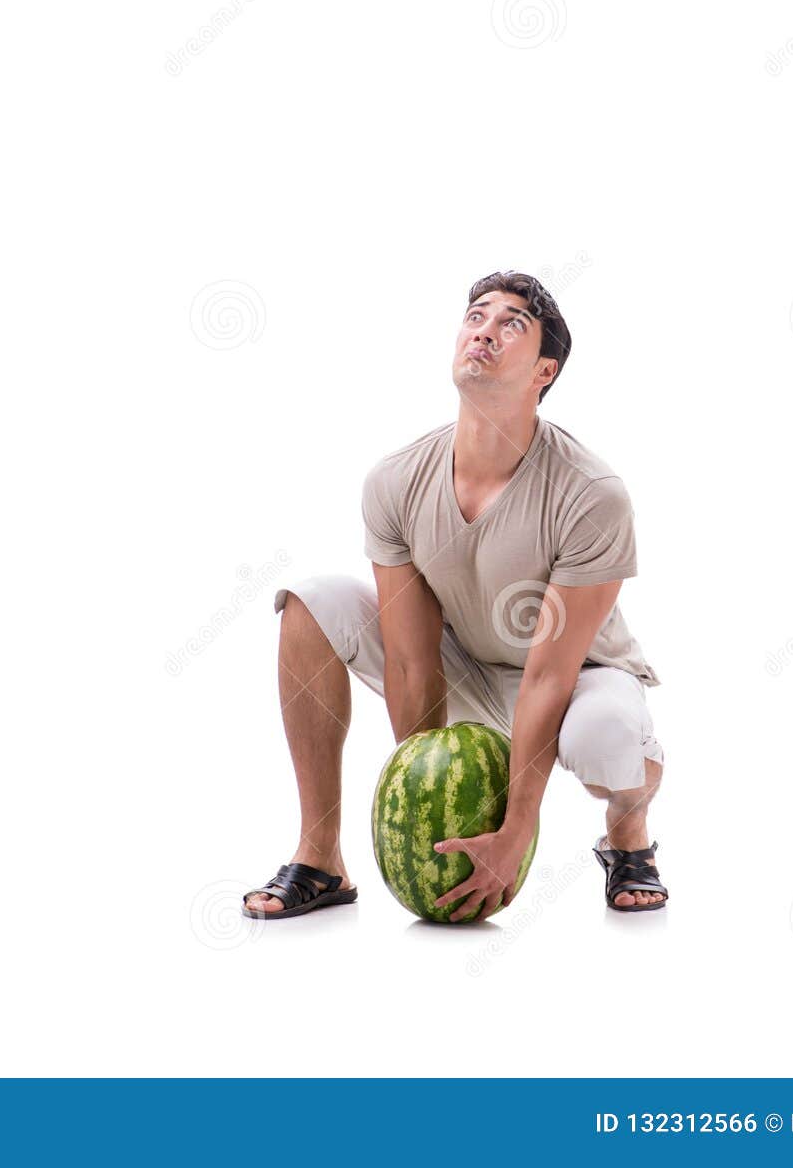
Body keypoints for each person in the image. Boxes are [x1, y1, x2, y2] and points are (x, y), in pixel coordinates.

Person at [244, 272, 667, 921]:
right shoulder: (396, 480)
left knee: (605, 736)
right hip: (465, 662)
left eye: (511, 324)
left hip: (574, 677)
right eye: (476, 316)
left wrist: (518, 827)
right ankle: (321, 857)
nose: (485, 331)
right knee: (311, 602)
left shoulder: (591, 494)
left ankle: (628, 836)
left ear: (544, 372)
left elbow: (549, 676)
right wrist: (427, 818)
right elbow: (412, 661)